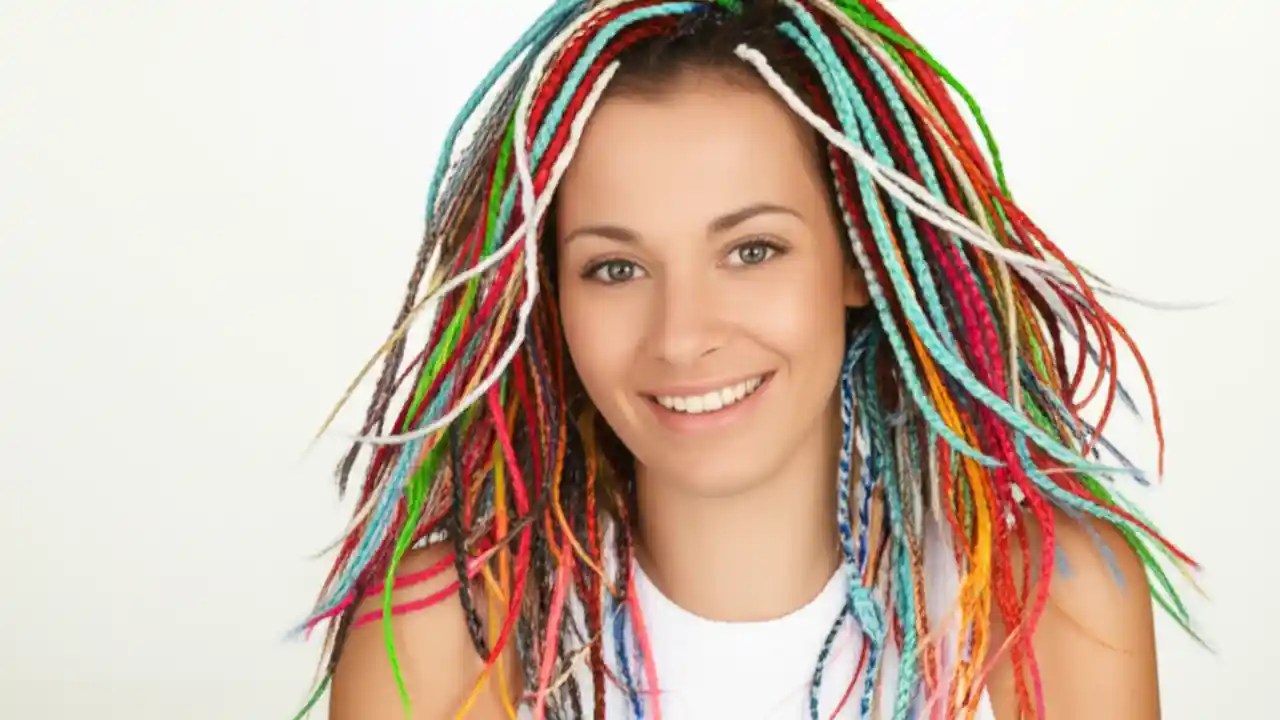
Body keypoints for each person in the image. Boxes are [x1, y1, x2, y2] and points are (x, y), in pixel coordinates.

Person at [294, 1, 1200, 718]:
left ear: (859, 257)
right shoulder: (440, 633)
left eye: (752, 250)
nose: (682, 334)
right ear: (549, 299)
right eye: (615, 267)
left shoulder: (1045, 601)